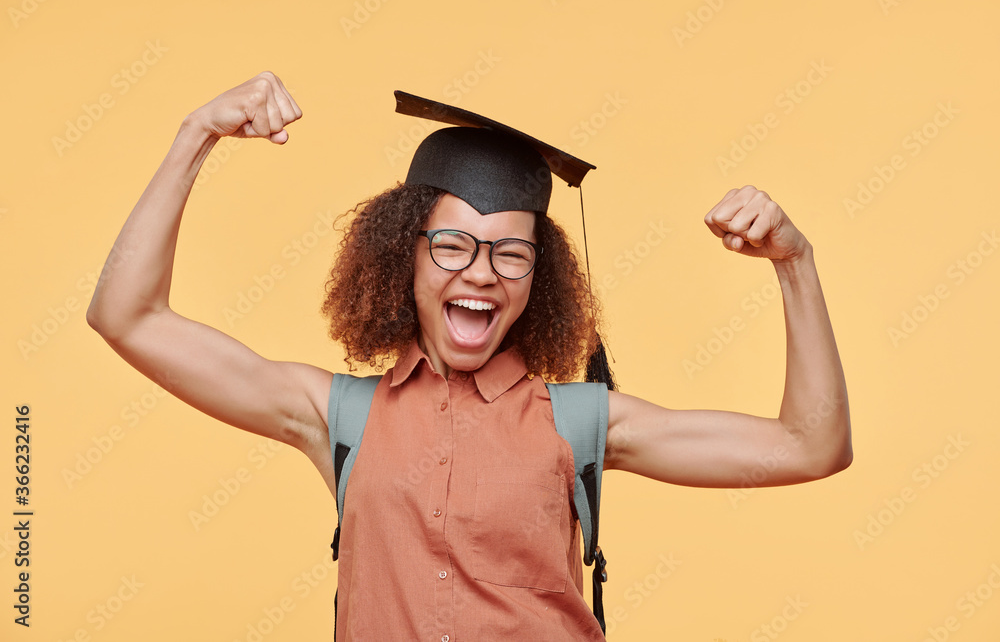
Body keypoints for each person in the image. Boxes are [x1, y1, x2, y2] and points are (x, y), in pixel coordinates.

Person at [87, 72, 852, 641]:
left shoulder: (583, 421)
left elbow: (810, 445)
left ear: (538, 277)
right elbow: (127, 315)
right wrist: (198, 133)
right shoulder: (337, 416)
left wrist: (795, 262)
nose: (481, 272)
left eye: (510, 254)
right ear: (403, 256)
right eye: (452, 245)